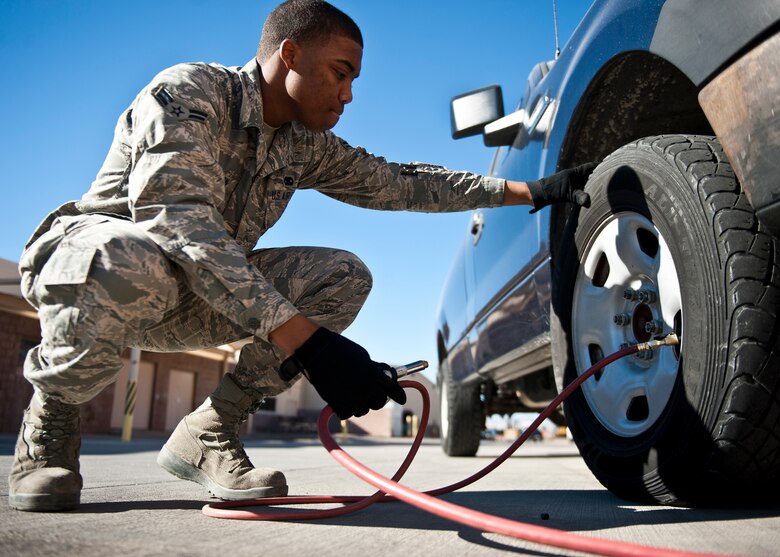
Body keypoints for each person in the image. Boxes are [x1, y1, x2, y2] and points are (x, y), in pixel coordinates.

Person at [9, 0, 595, 512]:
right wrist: (310, 344)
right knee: (125, 257)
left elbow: (401, 182)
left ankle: (209, 432)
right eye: (340, 73)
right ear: (289, 54)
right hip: (104, 270)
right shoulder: (192, 93)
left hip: (195, 295)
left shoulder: (303, 144)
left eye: (354, 80)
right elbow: (177, 222)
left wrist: (529, 191)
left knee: (341, 277)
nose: (348, 94)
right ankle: (51, 425)